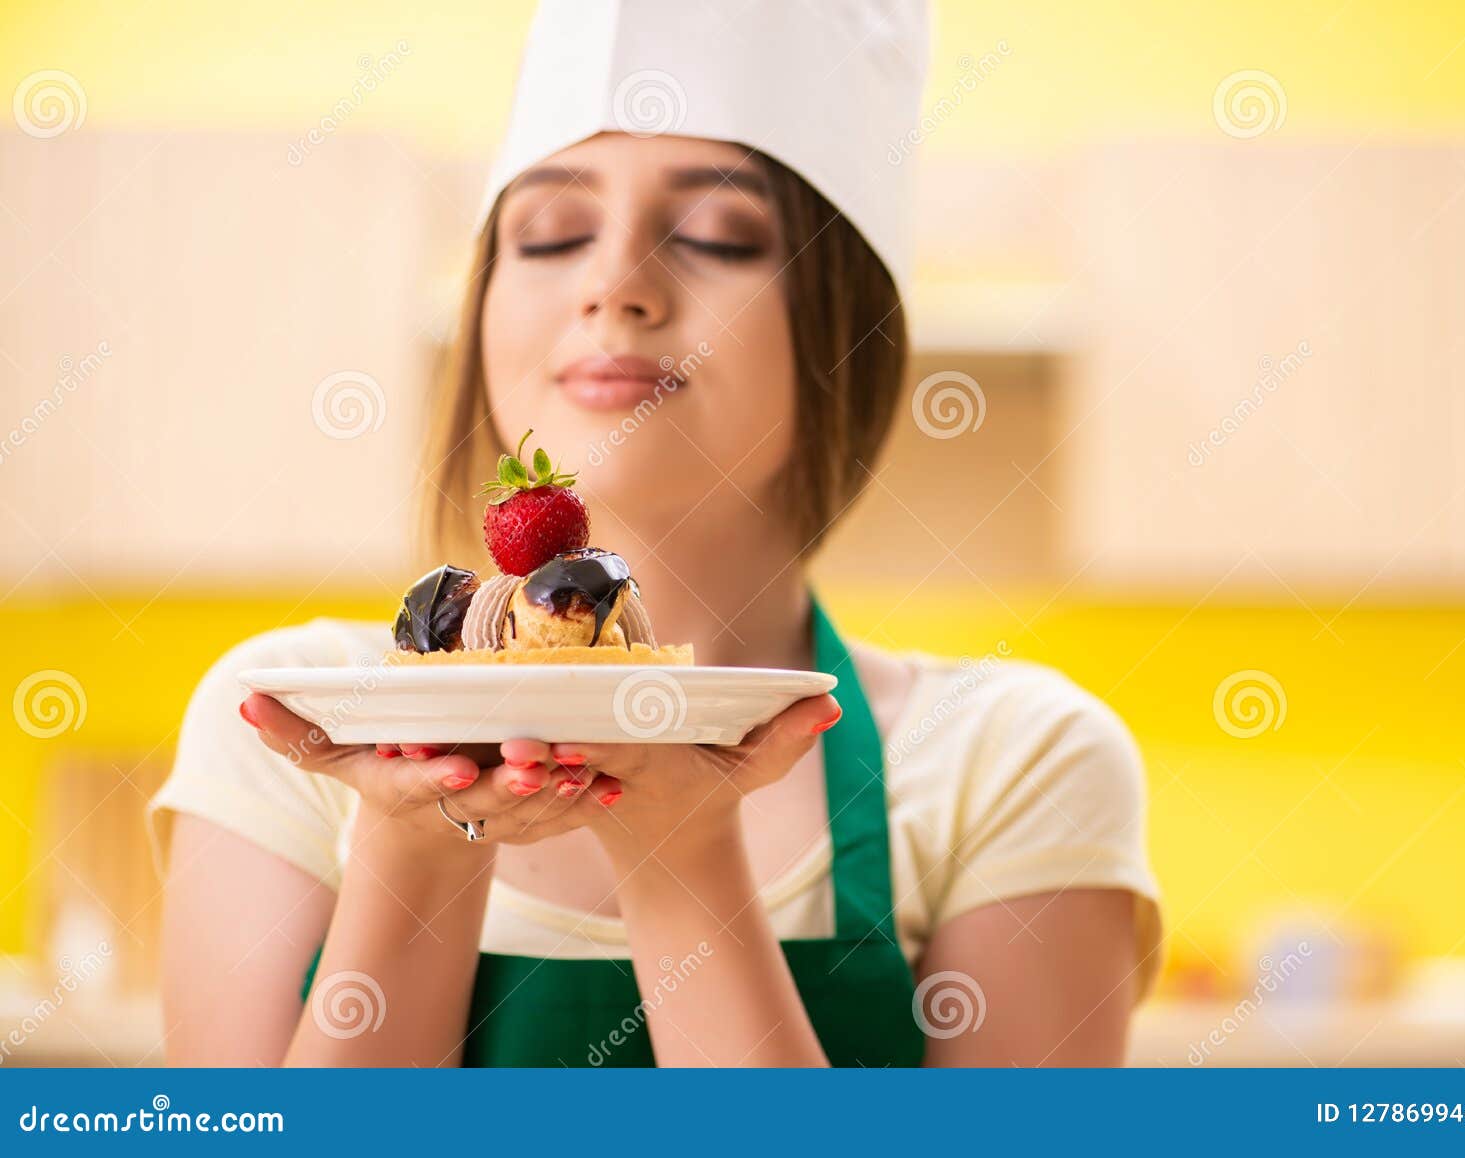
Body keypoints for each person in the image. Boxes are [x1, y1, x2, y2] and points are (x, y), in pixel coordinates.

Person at [148, 0, 1162, 1067]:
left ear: (842, 327)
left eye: (718, 236)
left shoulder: (1012, 762)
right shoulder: (297, 727)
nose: (615, 286)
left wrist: (680, 848)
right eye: (549, 235)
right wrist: (416, 845)